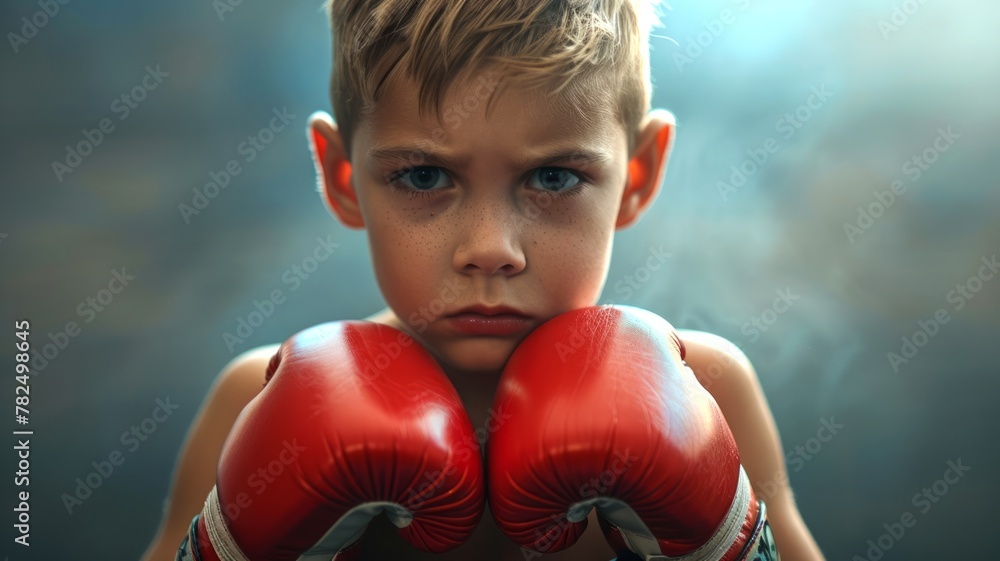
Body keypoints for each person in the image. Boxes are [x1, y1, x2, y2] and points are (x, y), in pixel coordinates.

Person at [142, 0, 825, 559]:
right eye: (424, 176)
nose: (490, 249)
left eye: (553, 177)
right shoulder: (252, 400)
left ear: (637, 174)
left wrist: (725, 546)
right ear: (341, 176)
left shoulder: (708, 390)